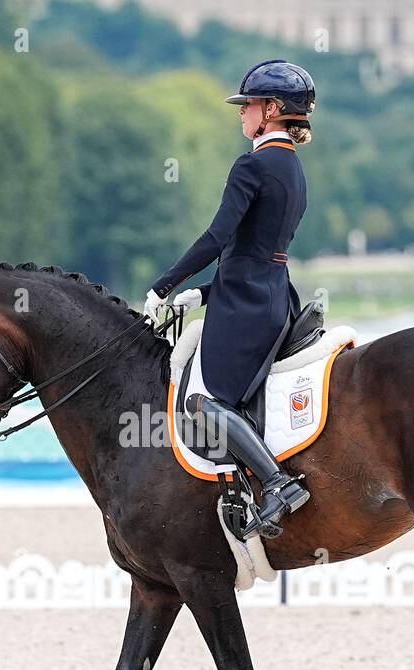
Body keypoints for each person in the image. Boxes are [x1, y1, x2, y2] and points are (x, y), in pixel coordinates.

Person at [142, 59, 316, 538]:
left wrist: (165, 284)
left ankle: (279, 484)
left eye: (249, 106)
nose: (242, 115)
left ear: (273, 109)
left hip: (246, 306)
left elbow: (218, 238)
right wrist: (199, 294)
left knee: (203, 401)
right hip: (268, 295)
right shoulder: (292, 167)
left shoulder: (253, 164)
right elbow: (255, 253)